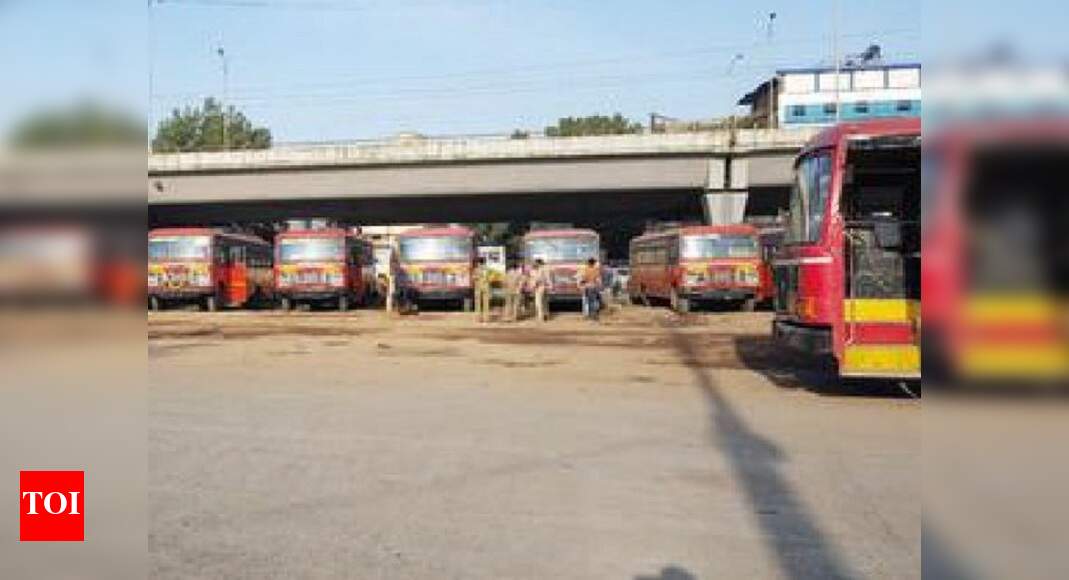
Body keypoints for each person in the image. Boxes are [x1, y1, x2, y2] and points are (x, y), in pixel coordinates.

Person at [472, 256, 492, 323]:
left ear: (479, 263)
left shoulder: (476, 269)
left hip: (478, 287)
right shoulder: (488, 269)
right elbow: (490, 278)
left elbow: (473, 278)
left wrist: (477, 277)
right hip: (486, 287)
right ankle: (486, 319)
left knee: (478, 304)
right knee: (486, 304)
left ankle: (478, 319)